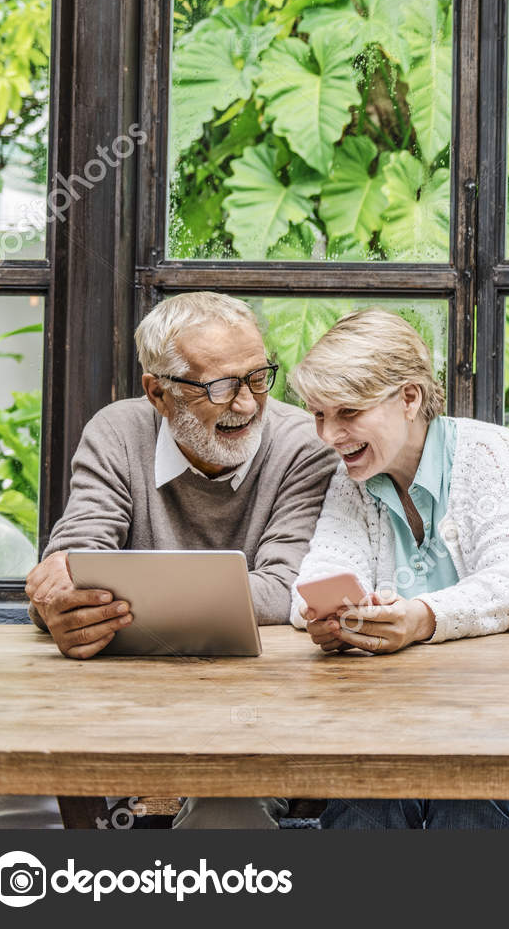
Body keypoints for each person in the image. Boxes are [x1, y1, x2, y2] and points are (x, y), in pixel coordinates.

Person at [24, 291, 339, 829]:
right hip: (133, 703)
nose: (247, 404)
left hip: (260, 705)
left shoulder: (304, 446)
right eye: (220, 386)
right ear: (159, 393)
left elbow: (288, 588)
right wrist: (57, 601)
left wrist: (116, 601)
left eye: (259, 377)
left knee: (225, 807)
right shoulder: (117, 431)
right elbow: (74, 557)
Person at [288, 308, 509, 830]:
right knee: (367, 806)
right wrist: (329, 616)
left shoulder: (490, 450)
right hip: (388, 731)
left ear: (409, 398)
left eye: (347, 412)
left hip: (504, 723)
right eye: (318, 414)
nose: (328, 434)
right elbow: (316, 579)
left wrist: (422, 616)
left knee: (470, 804)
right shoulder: (352, 477)